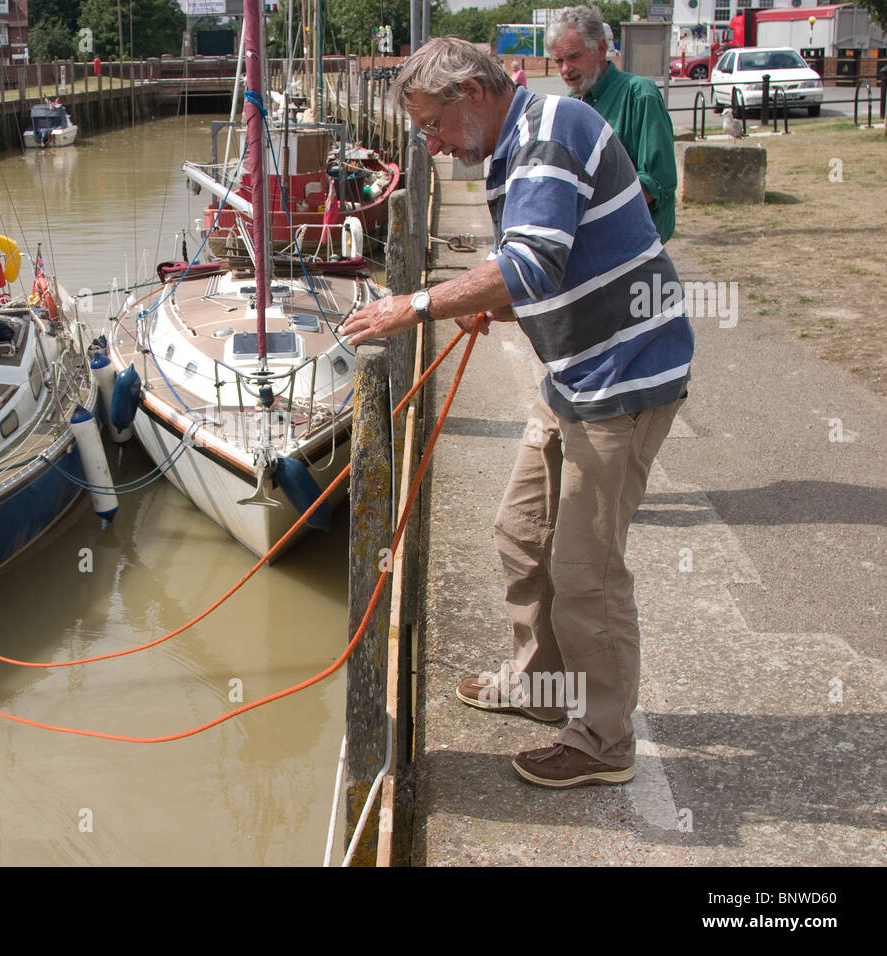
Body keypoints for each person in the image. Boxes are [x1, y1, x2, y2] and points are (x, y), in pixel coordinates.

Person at [340, 37, 694, 789]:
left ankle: (602, 738)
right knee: (521, 532)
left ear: (472, 93)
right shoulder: (518, 141)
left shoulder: (551, 131)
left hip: (623, 376)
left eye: (434, 125)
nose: (431, 145)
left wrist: (418, 305)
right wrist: (497, 307)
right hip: (575, 370)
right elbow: (555, 264)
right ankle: (545, 688)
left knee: (586, 570)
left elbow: (532, 262)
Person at [545, 5, 677, 242]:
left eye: (574, 56)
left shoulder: (638, 95)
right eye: (558, 61)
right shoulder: (572, 105)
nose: (566, 69)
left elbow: (657, 181)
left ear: (601, 49)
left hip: (632, 248)